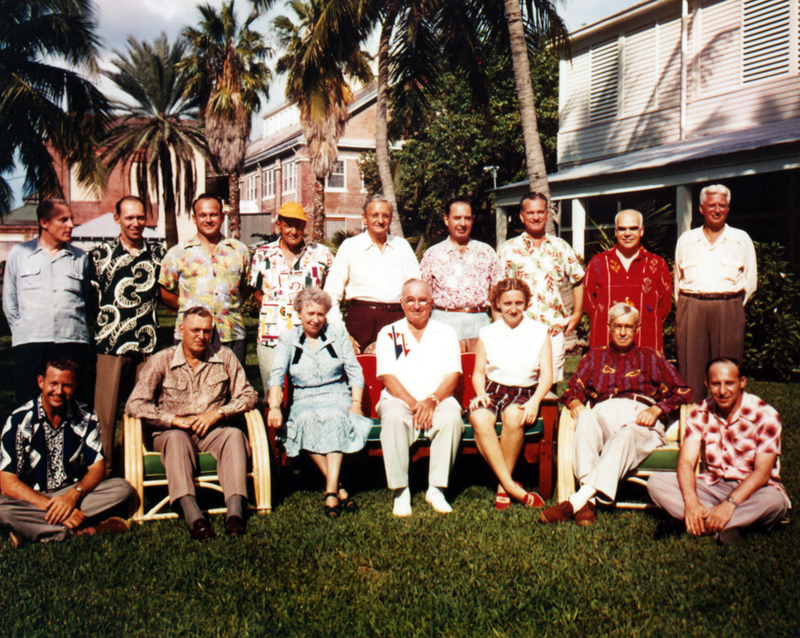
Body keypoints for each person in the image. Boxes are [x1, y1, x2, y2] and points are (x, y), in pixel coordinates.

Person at [540, 303, 692, 526]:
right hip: (605, 412)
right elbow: (573, 390)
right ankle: (587, 501)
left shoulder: (651, 357)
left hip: (640, 419)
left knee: (625, 435)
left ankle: (577, 503)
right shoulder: (595, 357)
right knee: (586, 417)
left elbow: (683, 391)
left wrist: (658, 409)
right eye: (618, 326)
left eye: (628, 327)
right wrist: (575, 404)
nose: (622, 332)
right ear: (609, 326)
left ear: (637, 329)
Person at [126, 306, 258, 540]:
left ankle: (235, 515)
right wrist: (173, 420)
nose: (201, 336)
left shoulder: (224, 356)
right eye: (195, 330)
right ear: (181, 330)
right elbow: (135, 404)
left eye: (207, 331)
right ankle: (192, 514)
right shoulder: (162, 360)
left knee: (234, 436)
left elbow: (248, 395)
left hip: (212, 429)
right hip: (173, 432)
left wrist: (218, 414)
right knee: (177, 439)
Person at [648, 358, 789, 545]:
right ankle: (730, 525)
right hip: (712, 485)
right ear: (707, 384)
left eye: (729, 383)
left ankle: (692, 524)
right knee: (656, 482)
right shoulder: (700, 412)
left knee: (775, 501)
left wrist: (730, 504)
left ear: (742, 382)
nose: (722, 391)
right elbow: (686, 463)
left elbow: (762, 474)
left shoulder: (766, 415)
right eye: (716, 384)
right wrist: (691, 502)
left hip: (752, 489)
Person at [0, 358, 134, 547]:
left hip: (71, 493)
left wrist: (72, 496)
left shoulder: (85, 416)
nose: (59, 391)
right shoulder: (19, 420)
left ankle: (31, 530)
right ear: (41, 382)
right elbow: (6, 482)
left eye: (66, 385)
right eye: (53, 384)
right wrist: (59, 509)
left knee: (122, 488)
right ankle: (86, 529)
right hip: (30, 498)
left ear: (75, 385)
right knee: (2, 509)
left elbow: (97, 469)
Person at [267, 288, 369, 517]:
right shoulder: (287, 339)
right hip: (304, 397)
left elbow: (354, 371)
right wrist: (274, 407)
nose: (315, 320)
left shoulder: (337, 333)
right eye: (310, 314)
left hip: (336, 394)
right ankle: (339, 489)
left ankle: (330, 490)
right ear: (299, 314)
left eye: (320, 314)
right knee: (304, 420)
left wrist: (356, 402)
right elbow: (276, 376)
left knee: (334, 418)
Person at [89, 195, 166, 476]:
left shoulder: (158, 254)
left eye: (140, 217)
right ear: (117, 219)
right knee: (106, 414)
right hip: (111, 345)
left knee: (147, 409)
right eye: (129, 217)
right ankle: (105, 470)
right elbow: (90, 301)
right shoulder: (100, 255)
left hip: (148, 346)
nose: (135, 223)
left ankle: (144, 468)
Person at [375, 279, 463, 517]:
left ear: (432, 303)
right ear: (401, 304)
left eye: (423, 300)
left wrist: (432, 401)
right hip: (399, 400)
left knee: (452, 418)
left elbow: (452, 375)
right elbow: (388, 378)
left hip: (438, 399)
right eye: (410, 300)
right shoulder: (390, 333)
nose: (417, 305)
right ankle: (401, 491)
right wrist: (416, 406)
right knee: (392, 417)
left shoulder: (445, 332)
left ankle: (436, 489)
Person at [469, 279, 552, 510]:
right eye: (507, 303)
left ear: (527, 303)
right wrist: (480, 392)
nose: (513, 308)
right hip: (493, 391)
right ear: (497, 303)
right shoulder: (487, 332)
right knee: (479, 418)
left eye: (519, 302)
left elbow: (547, 376)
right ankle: (511, 485)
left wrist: (535, 401)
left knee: (514, 417)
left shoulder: (539, 331)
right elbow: (478, 372)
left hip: (525, 392)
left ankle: (502, 487)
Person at [2, 199, 93, 405]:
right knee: (28, 402)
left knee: (71, 403)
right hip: (31, 342)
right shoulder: (19, 254)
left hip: (72, 341)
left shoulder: (80, 258)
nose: (71, 225)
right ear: (44, 223)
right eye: (63, 220)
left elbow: (85, 298)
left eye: (71, 219)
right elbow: (10, 301)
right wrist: (22, 329)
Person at [674, 184, 757, 401]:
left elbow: (750, 282)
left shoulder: (741, 239)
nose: (717, 210)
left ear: (728, 208)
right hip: (692, 307)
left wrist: (730, 306)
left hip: (728, 307)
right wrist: (690, 306)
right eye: (712, 205)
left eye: (722, 205)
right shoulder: (686, 240)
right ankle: (693, 423)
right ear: (701, 208)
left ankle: (727, 426)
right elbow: (677, 281)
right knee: (690, 370)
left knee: (726, 372)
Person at [498, 192, 584, 382]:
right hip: (518, 330)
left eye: (540, 212)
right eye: (530, 213)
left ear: (547, 215)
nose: (535, 217)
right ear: (522, 216)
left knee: (549, 387)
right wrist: (499, 325)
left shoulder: (560, 247)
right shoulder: (508, 249)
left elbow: (578, 279)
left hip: (552, 330)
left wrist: (576, 314)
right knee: (519, 383)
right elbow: (496, 291)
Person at [159, 193, 251, 366]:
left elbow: (246, 287)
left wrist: (229, 304)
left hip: (231, 331)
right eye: (203, 215)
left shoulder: (239, 251)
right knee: (189, 386)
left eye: (213, 215)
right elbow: (165, 291)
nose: (208, 220)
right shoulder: (178, 253)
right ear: (194, 218)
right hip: (191, 334)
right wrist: (187, 308)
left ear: (222, 217)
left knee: (231, 387)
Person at [250, 201, 333, 392]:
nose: (293, 231)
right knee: (273, 393)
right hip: (271, 337)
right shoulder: (263, 254)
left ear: (305, 226)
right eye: (288, 225)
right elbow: (257, 292)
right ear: (278, 225)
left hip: (310, 337)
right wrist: (277, 308)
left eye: (298, 226)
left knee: (308, 392)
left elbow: (329, 293)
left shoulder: (321, 254)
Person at [324, 196, 421, 353]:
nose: (380, 220)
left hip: (397, 320)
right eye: (374, 215)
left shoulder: (402, 246)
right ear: (364, 218)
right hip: (361, 321)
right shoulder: (350, 246)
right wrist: (341, 333)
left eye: (385, 216)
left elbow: (416, 289)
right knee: (361, 374)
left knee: (398, 373)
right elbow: (330, 294)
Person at [420, 197, 503, 352]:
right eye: (457, 218)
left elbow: (498, 296)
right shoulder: (432, 254)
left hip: (480, 322)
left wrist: (499, 329)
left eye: (467, 218)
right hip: (443, 321)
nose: (462, 224)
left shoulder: (486, 252)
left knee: (479, 371)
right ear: (446, 220)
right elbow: (423, 298)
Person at [583, 209, 672, 354]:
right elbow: (588, 300)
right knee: (606, 377)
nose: (627, 233)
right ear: (615, 231)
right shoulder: (598, 263)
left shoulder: (657, 264)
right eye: (622, 229)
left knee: (647, 376)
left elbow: (664, 306)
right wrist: (606, 322)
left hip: (646, 342)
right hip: (605, 342)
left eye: (633, 228)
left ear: (641, 231)